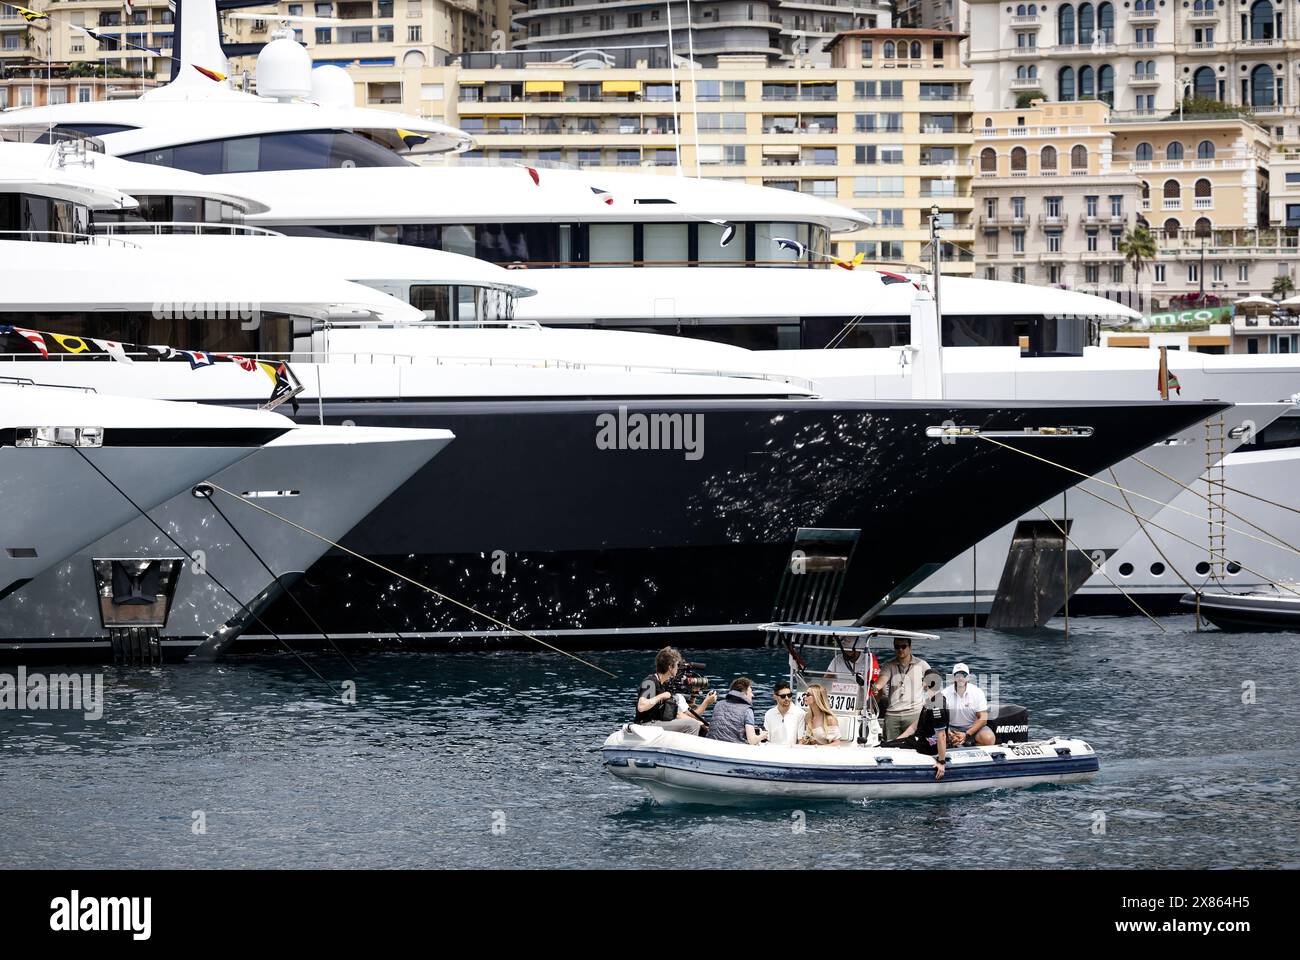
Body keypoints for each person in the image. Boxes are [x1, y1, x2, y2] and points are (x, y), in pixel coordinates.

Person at [884, 669, 949, 781]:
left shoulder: (937, 705)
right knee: (888, 744)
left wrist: (941, 762)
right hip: (918, 740)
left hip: (926, 746)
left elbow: (942, 735)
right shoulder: (930, 701)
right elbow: (914, 726)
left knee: (883, 748)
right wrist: (897, 740)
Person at [636, 646, 716, 735]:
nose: (678, 669)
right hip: (646, 724)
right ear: (670, 667)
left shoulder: (664, 685)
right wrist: (662, 696)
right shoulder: (650, 681)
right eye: (677, 665)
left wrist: (699, 722)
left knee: (695, 724)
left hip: (658, 722)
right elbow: (641, 706)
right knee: (692, 725)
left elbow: (677, 714)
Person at [872, 635, 931, 743]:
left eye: (903, 646)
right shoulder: (889, 665)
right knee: (890, 746)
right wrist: (876, 687)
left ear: (910, 647)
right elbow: (881, 681)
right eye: (897, 647)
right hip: (892, 714)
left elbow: (934, 683)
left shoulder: (922, 664)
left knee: (914, 746)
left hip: (914, 713)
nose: (900, 649)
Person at [943, 662, 995, 747]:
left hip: (972, 728)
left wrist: (967, 734)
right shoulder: (944, 694)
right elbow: (940, 719)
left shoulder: (977, 692)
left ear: (968, 677)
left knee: (988, 739)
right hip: (950, 729)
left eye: (964, 674)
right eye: (957, 675)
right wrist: (949, 733)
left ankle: (970, 744)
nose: (960, 678)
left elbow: (983, 718)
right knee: (938, 739)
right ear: (953, 678)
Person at [706, 677, 769, 745]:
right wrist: (762, 735)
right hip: (733, 748)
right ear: (743, 693)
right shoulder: (747, 710)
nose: (752, 695)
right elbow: (752, 741)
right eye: (750, 692)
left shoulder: (719, 704)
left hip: (712, 744)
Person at [763, 680, 806, 746]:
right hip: (772, 752)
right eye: (783, 696)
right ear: (775, 697)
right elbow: (766, 738)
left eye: (789, 695)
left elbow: (801, 741)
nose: (787, 698)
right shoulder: (769, 714)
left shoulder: (800, 713)